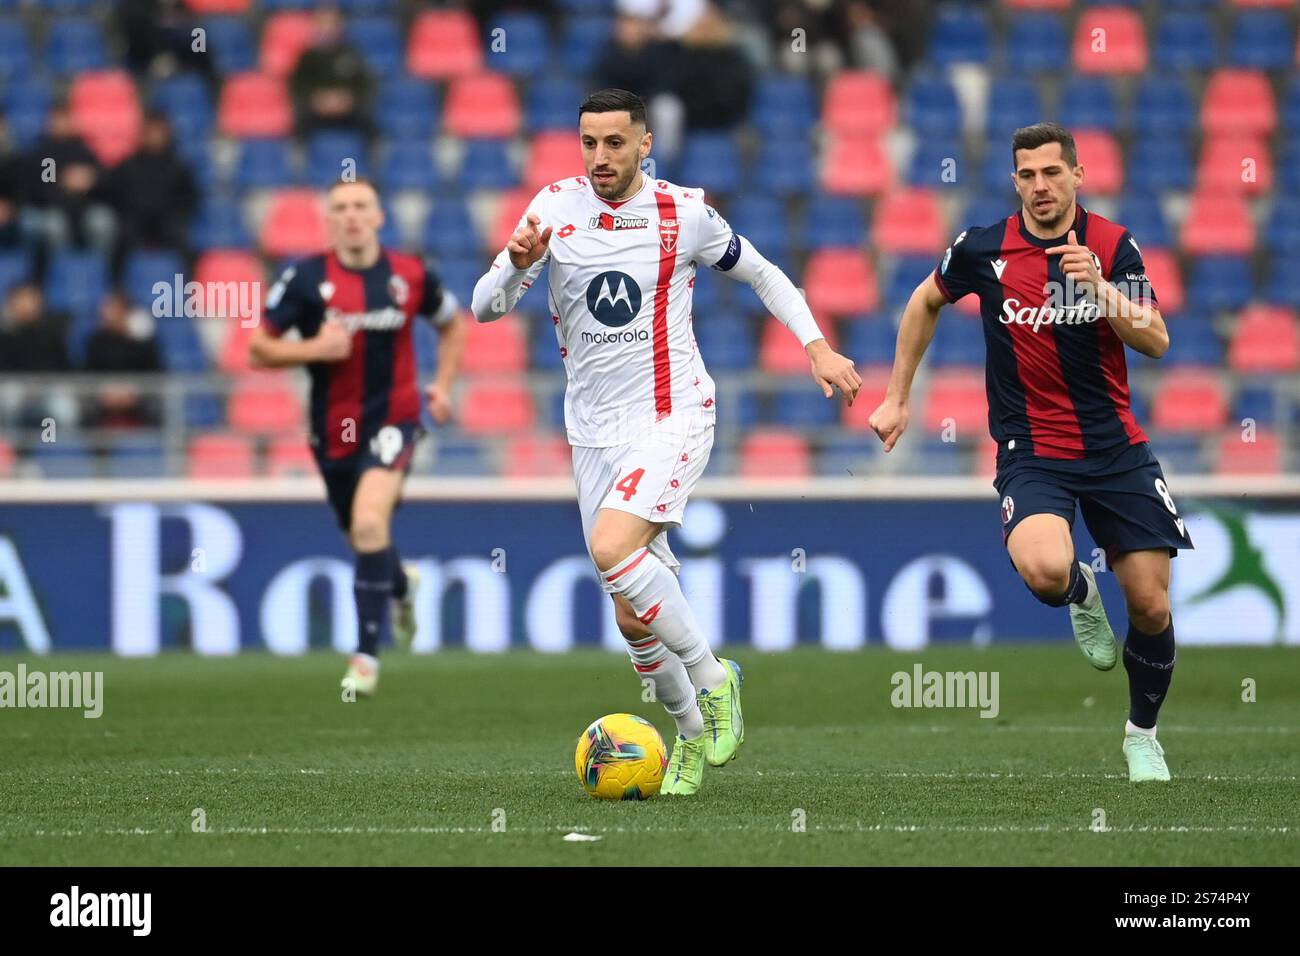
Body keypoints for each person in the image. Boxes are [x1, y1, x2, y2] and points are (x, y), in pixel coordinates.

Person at [471, 89, 861, 795]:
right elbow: (484, 309)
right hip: (592, 435)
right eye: (589, 142)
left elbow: (764, 273)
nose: (600, 158)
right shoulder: (553, 210)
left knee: (611, 549)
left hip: (673, 414)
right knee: (630, 612)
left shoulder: (684, 212)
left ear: (645, 144)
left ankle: (715, 682)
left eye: (615, 143)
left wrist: (816, 348)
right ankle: (686, 736)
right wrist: (511, 262)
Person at [868, 122, 1193, 783]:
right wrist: (898, 395)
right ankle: (1079, 591)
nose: (1041, 186)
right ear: (1015, 181)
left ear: (1077, 176)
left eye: (1052, 172)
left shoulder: (1110, 244)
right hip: (1032, 449)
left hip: (1115, 449)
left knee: (1153, 608)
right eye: (1028, 175)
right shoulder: (983, 249)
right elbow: (925, 300)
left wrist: (1099, 288)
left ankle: (1142, 735)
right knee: (1046, 570)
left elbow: (1156, 339)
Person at [248, 178, 467, 696]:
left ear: (378, 217)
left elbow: (453, 325)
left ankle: (366, 656)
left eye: (360, 207)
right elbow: (259, 349)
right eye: (340, 208)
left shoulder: (410, 275)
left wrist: (442, 386)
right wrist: (313, 351)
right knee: (363, 536)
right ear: (329, 220)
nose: (350, 216)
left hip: (394, 417)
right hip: (330, 430)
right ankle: (399, 585)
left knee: (370, 522)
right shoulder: (305, 279)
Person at [83, 289, 163, 428]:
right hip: (103, 396)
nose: (105, 312)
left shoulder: (143, 342)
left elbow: (154, 373)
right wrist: (105, 393)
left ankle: (149, 447)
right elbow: (88, 374)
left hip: (138, 396)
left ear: (125, 312)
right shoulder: (96, 341)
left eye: (112, 307)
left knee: (156, 407)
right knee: (87, 410)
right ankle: (96, 449)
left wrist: (135, 393)